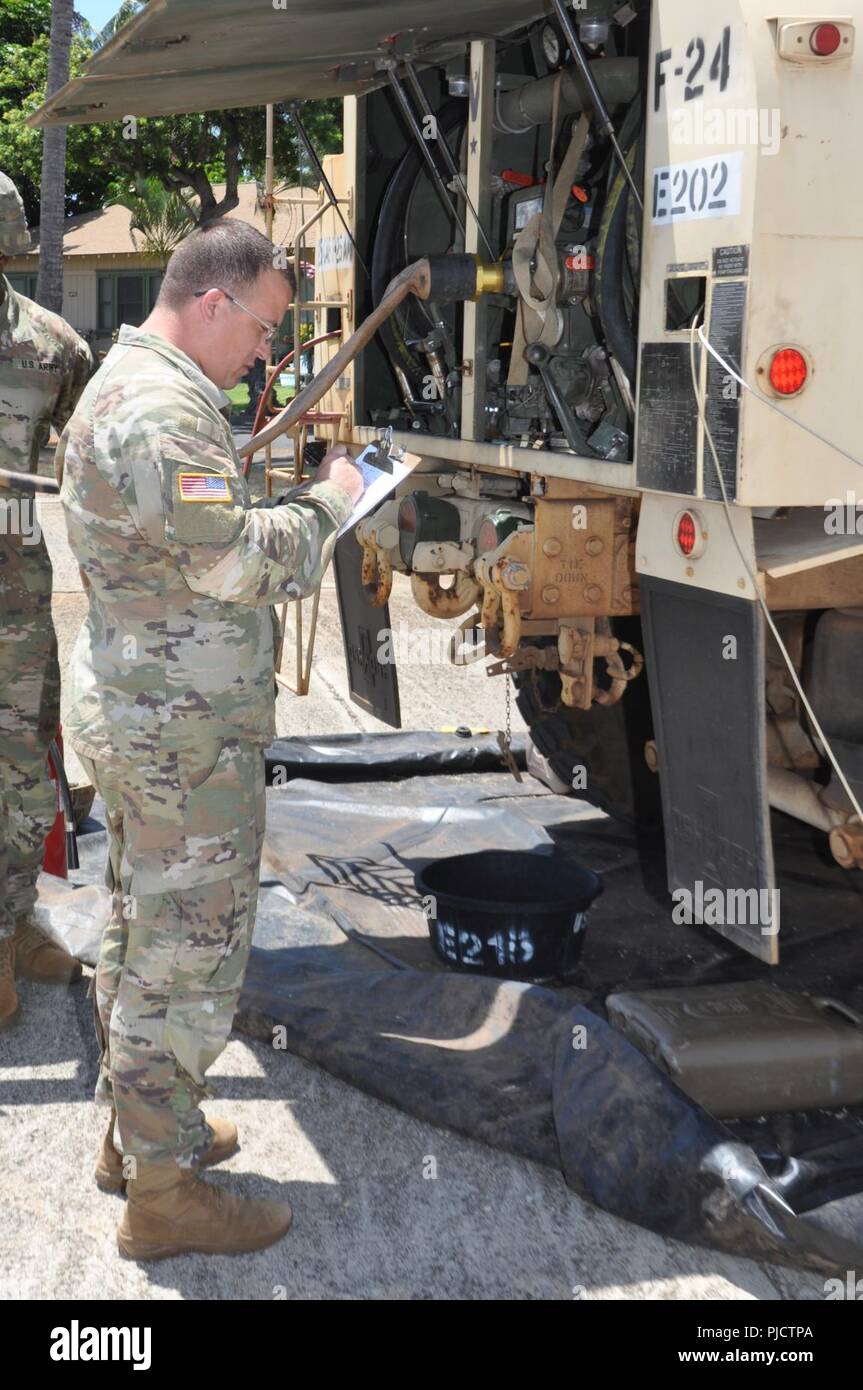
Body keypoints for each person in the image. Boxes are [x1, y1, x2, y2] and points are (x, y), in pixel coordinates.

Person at [58, 218, 363, 1260]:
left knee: (142, 936)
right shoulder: (165, 407)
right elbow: (229, 562)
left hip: (147, 717)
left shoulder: (132, 383)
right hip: (179, 736)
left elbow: (183, 537)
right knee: (184, 961)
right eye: (265, 330)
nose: (267, 355)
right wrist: (331, 503)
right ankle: (165, 1195)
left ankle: (140, 1135)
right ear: (213, 303)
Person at [0, 171, 93, 1031]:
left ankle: (16, 917)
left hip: (17, 597)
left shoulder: (53, 346)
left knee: (25, 758)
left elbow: (83, 454)